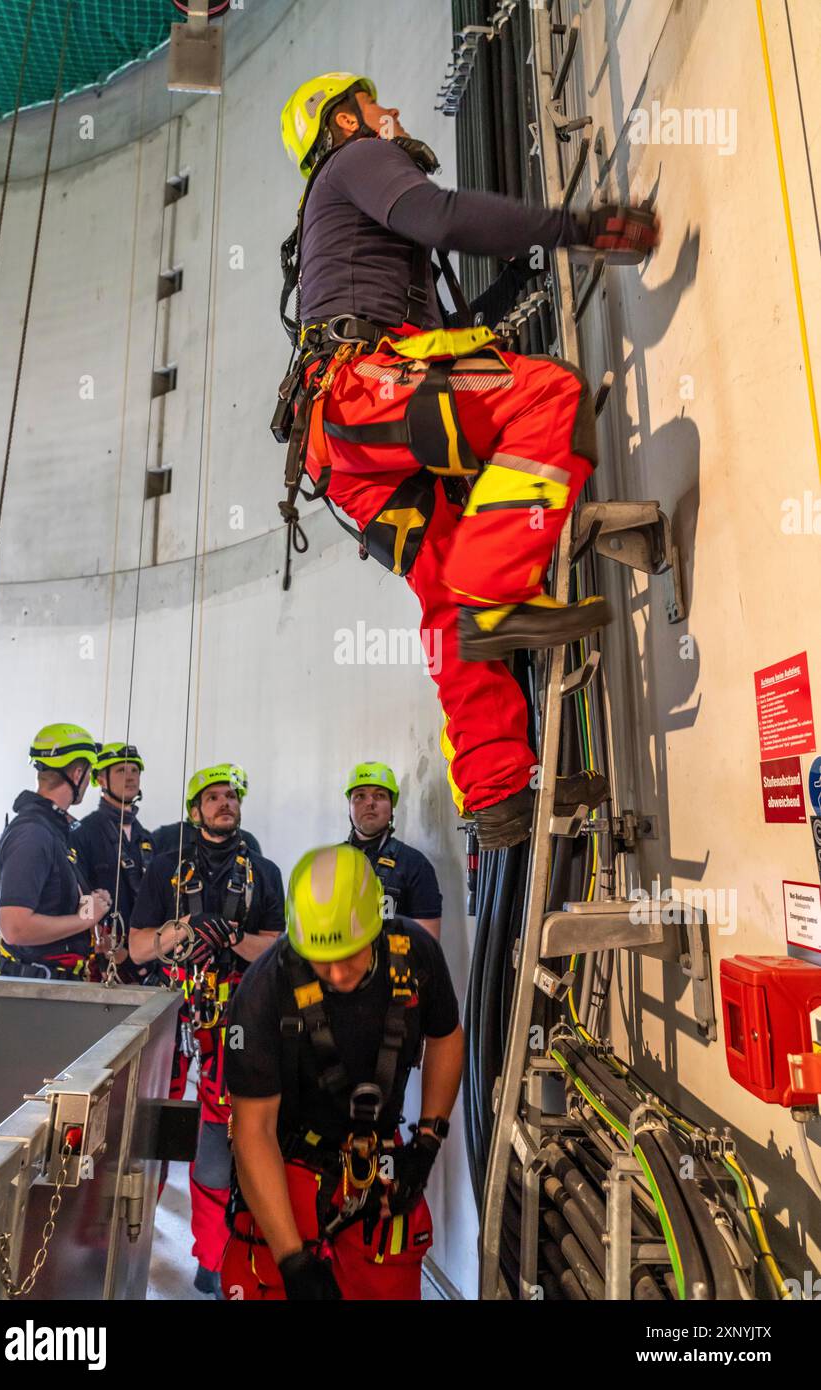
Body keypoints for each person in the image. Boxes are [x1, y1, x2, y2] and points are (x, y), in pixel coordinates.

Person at [276, 73, 660, 849]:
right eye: (375, 105)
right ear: (342, 121)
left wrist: (513, 279)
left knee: (446, 593)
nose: (392, 113)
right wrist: (574, 226)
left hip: (347, 448)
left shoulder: (342, 221)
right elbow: (440, 215)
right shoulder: (353, 162)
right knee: (548, 396)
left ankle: (494, 795)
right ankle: (498, 587)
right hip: (363, 392)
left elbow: (430, 328)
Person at [221, 843, 463, 1301]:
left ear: (376, 927)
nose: (333, 973)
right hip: (287, 1157)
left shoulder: (415, 955)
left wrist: (427, 1141)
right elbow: (253, 1130)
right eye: (318, 958)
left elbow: (447, 1035)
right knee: (262, 1280)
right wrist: (291, 1258)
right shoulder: (262, 990)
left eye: (348, 954)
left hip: (377, 1155)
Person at [128, 763, 285, 1297]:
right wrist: (185, 930)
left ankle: (213, 1256)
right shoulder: (165, 868)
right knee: (146, 1129)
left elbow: (277, 950)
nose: (225, 804)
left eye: (231, 797)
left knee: (222, 1140)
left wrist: (231, 935)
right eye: (214, 797)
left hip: (233, 1020)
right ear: (195, 810)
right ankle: (127, 1243)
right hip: (173, 1015)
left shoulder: (262, 871)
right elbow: (136, 946)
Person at [0, 723, 110, 980]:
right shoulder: (33, 834)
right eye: (89, 774)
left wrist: (93, 906)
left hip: (54, 989)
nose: (88, 781)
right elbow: (15, 928)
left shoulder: (57, 830)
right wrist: (86, 921)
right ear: (78, 774)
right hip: (31, 994)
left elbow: (57, 903)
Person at [71, 743, 154, 983]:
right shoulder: (83, 833)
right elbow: (78, 893)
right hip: (100, 961)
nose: (130, 777)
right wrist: (98, 941)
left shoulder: (146, 839)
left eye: (135, 771)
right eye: (121, 770)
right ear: (101, 779)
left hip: (143, 960)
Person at [345, 760, 441, 937]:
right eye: (359, 796)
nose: (369, 803)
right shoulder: (328, 863)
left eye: (380, 795)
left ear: (392, 806)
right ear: (349, 806)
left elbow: (429, 945)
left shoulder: (415, 865)